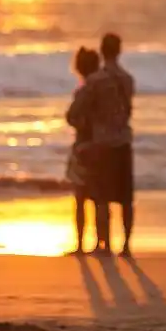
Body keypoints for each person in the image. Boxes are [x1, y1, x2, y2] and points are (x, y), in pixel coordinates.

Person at [66, 31, 136, 257]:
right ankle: (125, 246)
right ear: (119, 50)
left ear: (102, 50)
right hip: (124, 141)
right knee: (125, 197)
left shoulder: (96, 81)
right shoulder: (128, 79)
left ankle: (102, 244)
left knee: (102, 196)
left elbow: (75, 112)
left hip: (102, 143)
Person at [64, 47, 101, 255]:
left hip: (83, 146)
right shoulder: (104, 91)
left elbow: (70, 116)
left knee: (80, 197)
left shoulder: (83, 91)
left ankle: (80, 244)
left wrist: (81, 124)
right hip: (101, 145)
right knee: (98, 197)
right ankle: (99, 242)